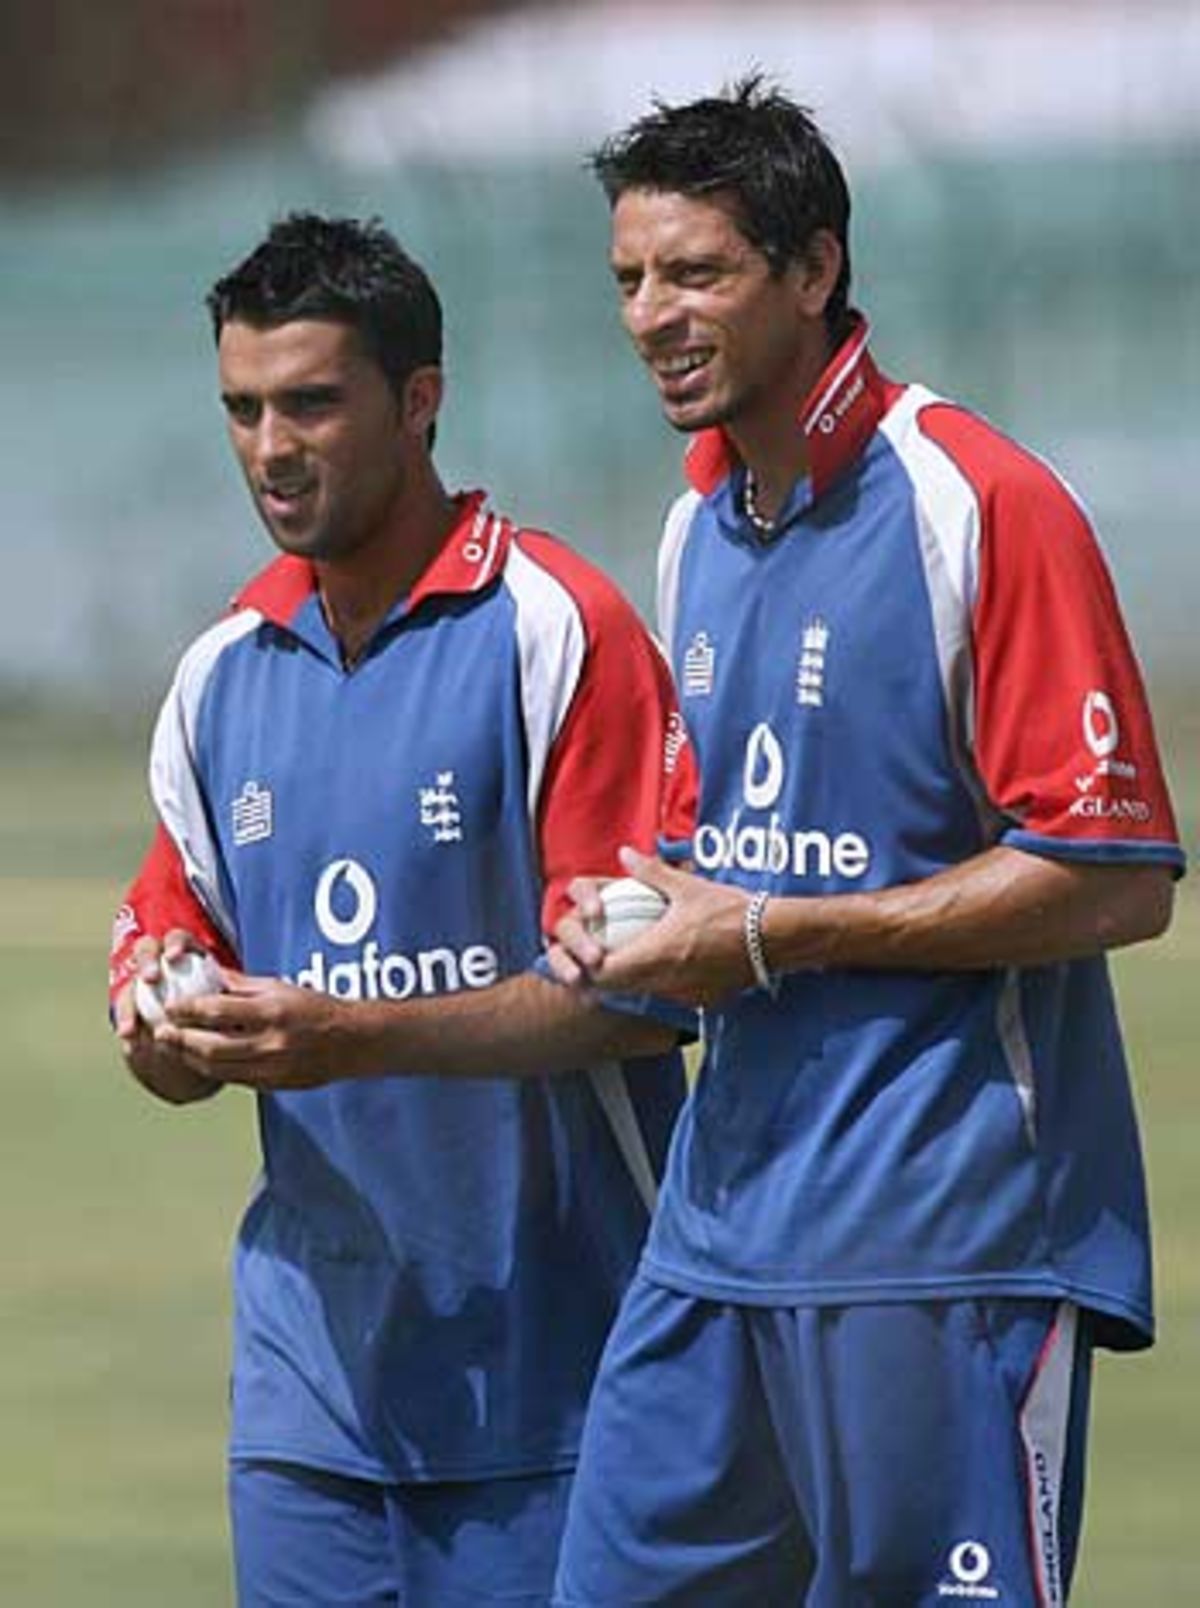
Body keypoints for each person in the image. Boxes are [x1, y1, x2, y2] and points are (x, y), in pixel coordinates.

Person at [548, 78, 1186, 1607]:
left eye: (696, 272)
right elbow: (731, 859)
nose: (652, 314)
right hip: (718, 1235)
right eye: (631, 277)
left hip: (943, 1236)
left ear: (815, 269)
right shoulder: (698, 526)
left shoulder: (980, 503)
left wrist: (771, 932)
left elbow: (1108, 880)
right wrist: (638, 917)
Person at [108, 211, 692, 1608]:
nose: (270, 447)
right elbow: (164, 971)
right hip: (312, 1401)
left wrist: (354, 1034)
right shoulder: (219, 678)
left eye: (311, 402)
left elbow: (642, 985)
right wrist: (166, 1026)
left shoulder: (558, 629)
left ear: (418, 401)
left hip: (563, 1385)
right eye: (243, 409)